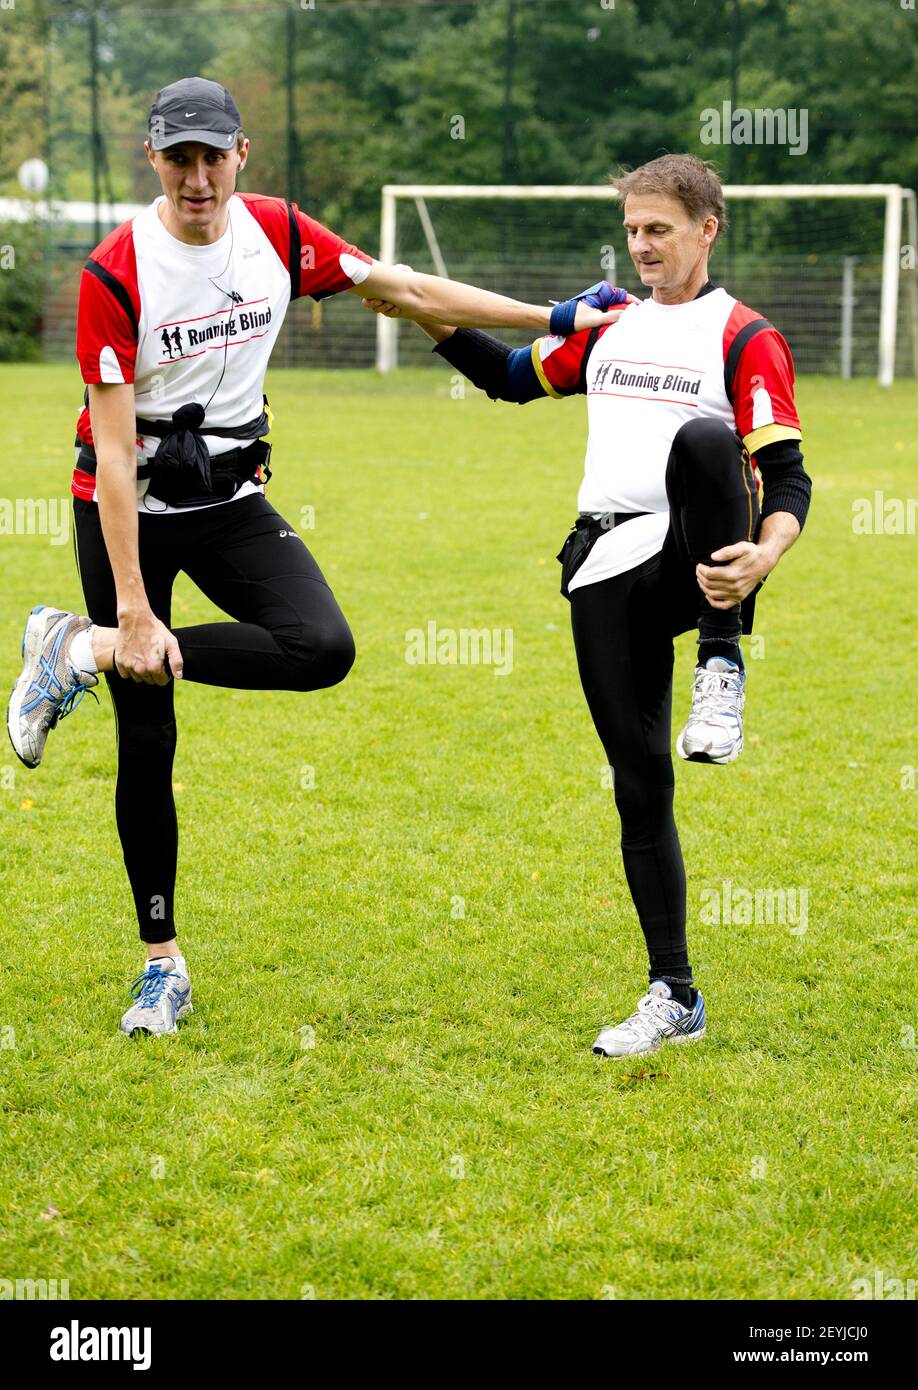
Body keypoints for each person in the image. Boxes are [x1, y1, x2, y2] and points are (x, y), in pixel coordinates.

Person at [6, 76, 617, 1038]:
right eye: (180, 159)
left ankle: (69, 652)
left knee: (321, 646)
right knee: (149, 733)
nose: (197, 178)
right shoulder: (115, 272)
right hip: (129, 508)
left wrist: (553, 319)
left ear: (241, 156)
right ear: (154, 161)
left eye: (214, 157)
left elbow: (407, 289)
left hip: (233, 495)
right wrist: (131, 605)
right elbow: (115, 452)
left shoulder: (281, 235)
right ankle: (162, 966)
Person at [364, 154, 811, 1058]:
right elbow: (507, 376)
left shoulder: (744, 335)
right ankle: (674, 994)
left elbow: (789, 477)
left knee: (707, 440)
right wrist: (423, 313)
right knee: (641, 786)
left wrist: (761, 558)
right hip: (604, 568)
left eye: (661, 230)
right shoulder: (608, 323)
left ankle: (721, 661)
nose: (643, 246)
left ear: (707, 228)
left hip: (692, 558)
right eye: (634, 231)